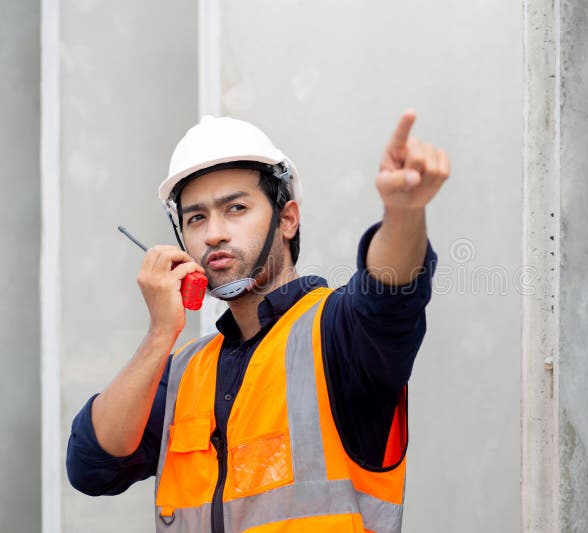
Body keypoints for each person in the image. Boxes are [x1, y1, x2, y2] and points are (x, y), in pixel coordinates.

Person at [66, 111, 450, 533]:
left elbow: (390, 292)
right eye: (196, 218)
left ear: (288, 219)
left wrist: (403, 214)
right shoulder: (182, 372)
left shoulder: (337, 333)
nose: (214, 233)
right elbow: (92, 467)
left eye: (235, 208)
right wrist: (160, 333)